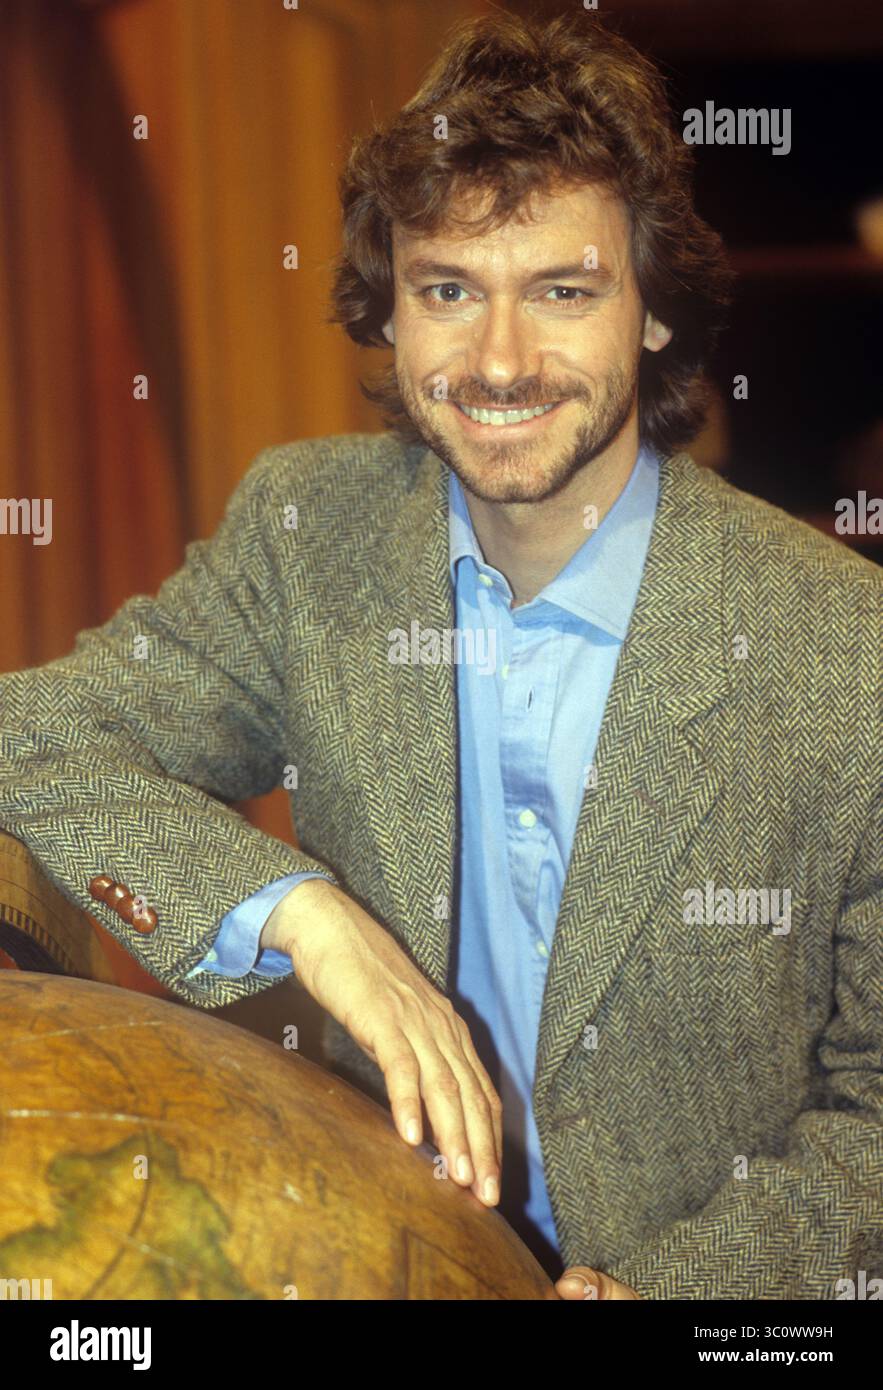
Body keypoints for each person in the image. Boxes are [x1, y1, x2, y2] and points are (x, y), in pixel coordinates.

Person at [1, 11, 880, 1301]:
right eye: (449, 291)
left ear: (651, 311)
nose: (501, 361)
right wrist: (309, 916)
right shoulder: (309, 540)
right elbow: (35, 735)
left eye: (563, 291)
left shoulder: (843, 651)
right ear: (390, 310)